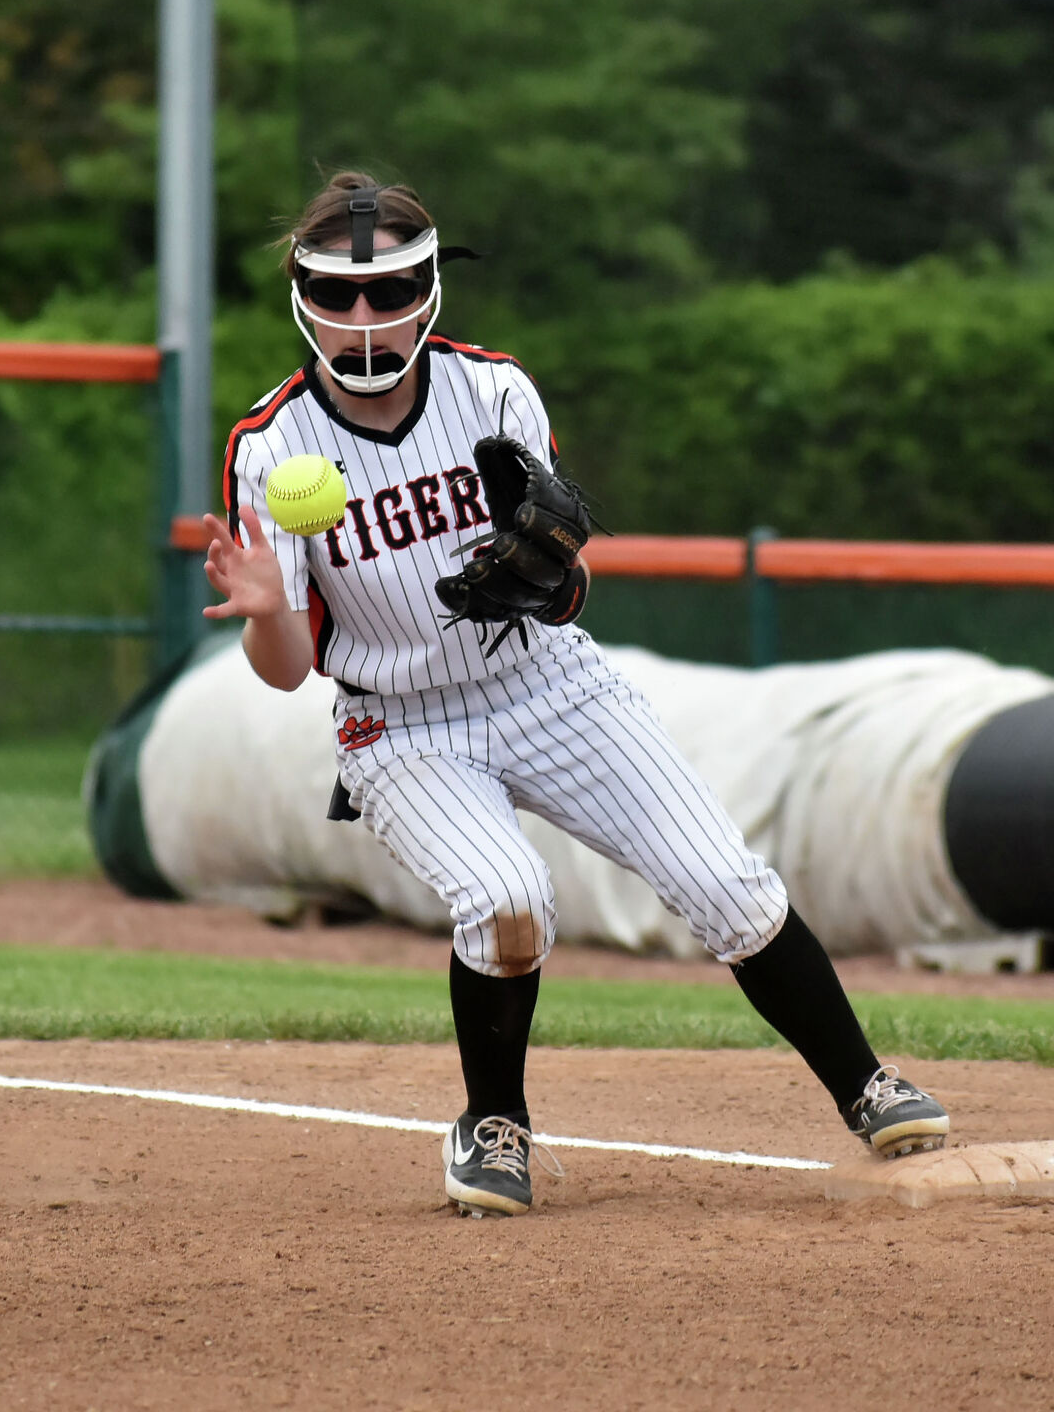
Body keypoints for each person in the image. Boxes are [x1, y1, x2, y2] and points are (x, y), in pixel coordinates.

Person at [202, 170, 949, 1218]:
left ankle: (866, 1084)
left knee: (726, 887)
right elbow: (284, 672)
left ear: (428, 288)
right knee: (507, 903)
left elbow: (560, 591)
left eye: (390, 290)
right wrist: (267, 607)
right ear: (300, 299)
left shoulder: (493, 390)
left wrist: (545, 576)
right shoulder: (272, 449)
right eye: (336, 295)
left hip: (544, 682)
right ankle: (491, 1124)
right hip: (400, 724)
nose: (364, 317)